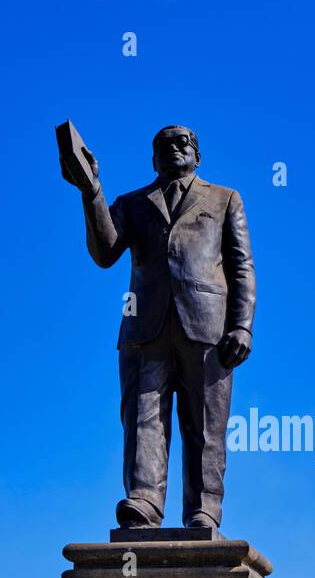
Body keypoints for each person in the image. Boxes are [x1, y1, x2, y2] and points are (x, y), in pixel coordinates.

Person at [61, 125, 255, 529]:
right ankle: (144, 499)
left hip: (208, 327)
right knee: (142, 415)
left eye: (183, 141)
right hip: (143, 326)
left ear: (197, 156)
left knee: (205, 423)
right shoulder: (132, 203)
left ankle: (204, 508)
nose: (174, 147)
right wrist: (91, 190)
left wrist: (242, 325)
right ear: (153, 160)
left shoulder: (224, 199)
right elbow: (104, 252)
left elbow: (241, 266)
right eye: (163, 145)